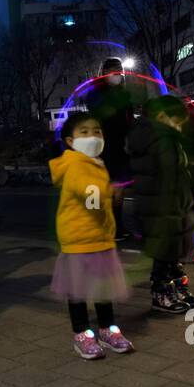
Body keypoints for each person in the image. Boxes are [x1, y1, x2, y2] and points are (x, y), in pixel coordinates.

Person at [49, 112, 134, 359]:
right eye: (84, 132)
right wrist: (111, 192)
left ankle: (107, 329)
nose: (92, 136)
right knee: (78, 292)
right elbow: (91, 197)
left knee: (102, 288)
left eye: (97, 131)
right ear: (70, 141)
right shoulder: (75, 164)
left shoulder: (96, 163)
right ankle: (82, 334)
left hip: (99, 238)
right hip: (80, 239)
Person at [127, 95, 194, 314]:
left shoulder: (164, 139)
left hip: (172, 204)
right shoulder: (158, 140)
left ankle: (177, 288)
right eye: (176, 122)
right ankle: (161, 295)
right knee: (164, 253)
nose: (179, 127)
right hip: (160, 206)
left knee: (173, 251)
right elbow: (168, 172)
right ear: (161, 117)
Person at [82, 57, 135, 241]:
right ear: (104, 73)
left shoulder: (124, 94)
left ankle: (116, 227)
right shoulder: (96, 94)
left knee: (118, 189)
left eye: (119, 71)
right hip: (102, 148)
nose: (117, 75)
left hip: (120, 148)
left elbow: (128, 119)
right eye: (113, 71)